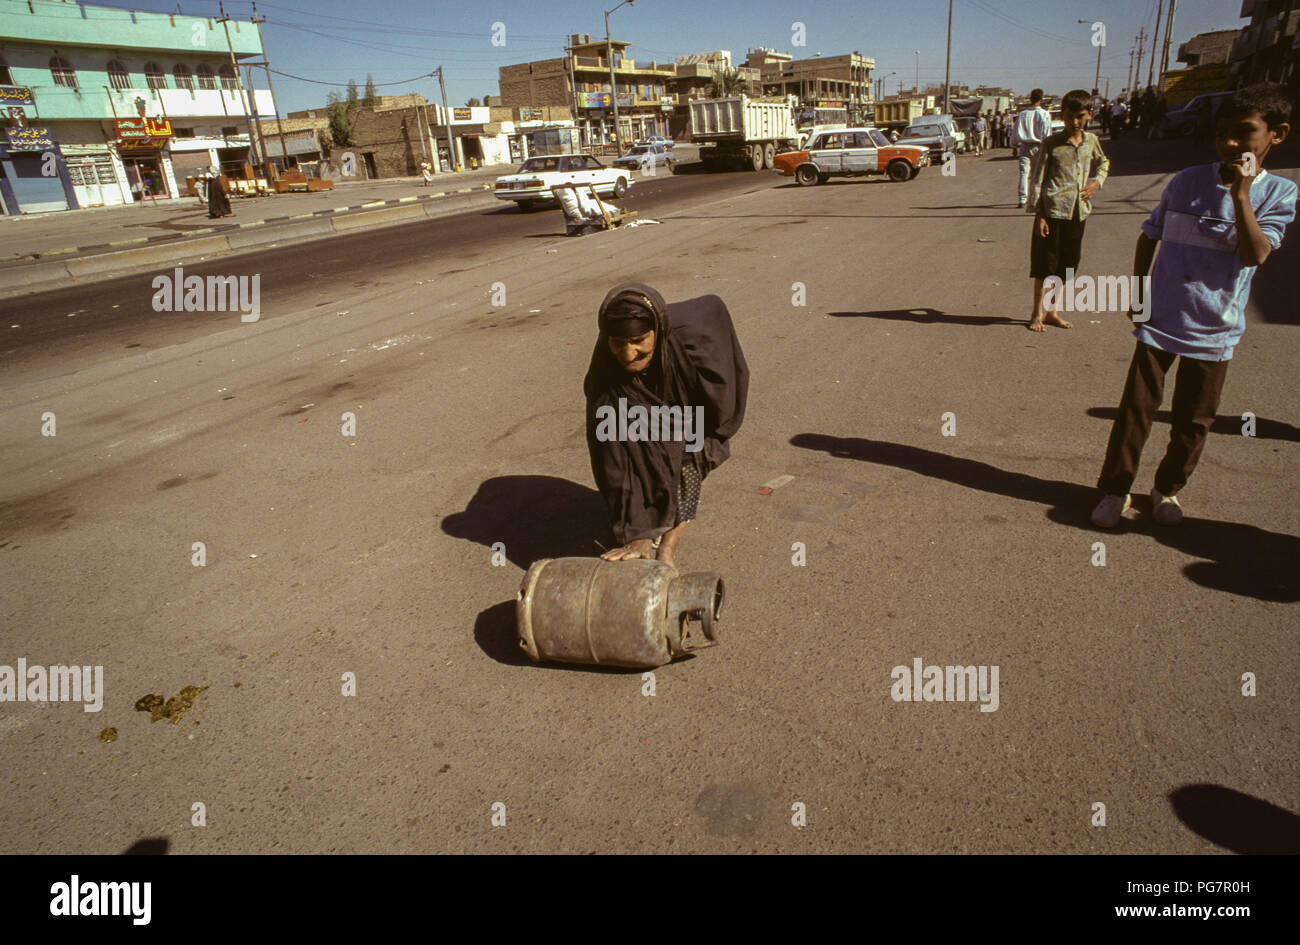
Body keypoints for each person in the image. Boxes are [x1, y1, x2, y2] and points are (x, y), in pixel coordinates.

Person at [1090, 84, 1295, 529]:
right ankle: (1115, 489)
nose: (1231, 143)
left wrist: (1240, 195)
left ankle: (1167, 489)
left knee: (1193, 421)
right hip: (1161, 317)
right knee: (1135, 412)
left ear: (1277, 134)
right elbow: (1150, 235)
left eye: (1245, 132)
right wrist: (1139, 292)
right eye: (1223, 133)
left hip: (1215, 328)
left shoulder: (1279, 193)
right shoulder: (1186, 180)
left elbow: (1255, 255)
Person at [584, 283, 749, 569]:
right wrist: (637, 534)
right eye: (617, 342)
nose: (627, 353)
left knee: (689, 461)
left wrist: (703, 427)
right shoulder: (606, 374)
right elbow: (615, 459)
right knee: (629, 450)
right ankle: (644, 535)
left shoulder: (691, 341)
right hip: (637, 416)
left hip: (689, 406)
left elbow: (714, 309)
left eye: (639, 341)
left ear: (659, 331)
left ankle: (668, 550)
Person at [1024, 89, 1109, 332]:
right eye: (1069, 116)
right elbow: (1037, 179)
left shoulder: (1091, 142)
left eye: (1080, 116)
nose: (1074, 122)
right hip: (1052, 213)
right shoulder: (1051, 143)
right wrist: (1039, 215)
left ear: (1089, 115)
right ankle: (1037, 313)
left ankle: (1053, 312)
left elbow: (1103, 162)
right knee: (1044, 266)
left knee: (1066, 266)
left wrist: (1096, 182)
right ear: (1062, 116)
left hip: (1077, 213)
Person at [1014, 89, 1052, 208]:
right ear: (1041, 100)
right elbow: (1047, 132)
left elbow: (1015, 131)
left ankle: (1022, 199)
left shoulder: (1023, 114)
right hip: (1038, 146)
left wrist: (1015, 145)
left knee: (1023, 173)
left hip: (1024, 146)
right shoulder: (1044, 114)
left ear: (1030, 99)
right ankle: (1035, 199)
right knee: (1037, 174)